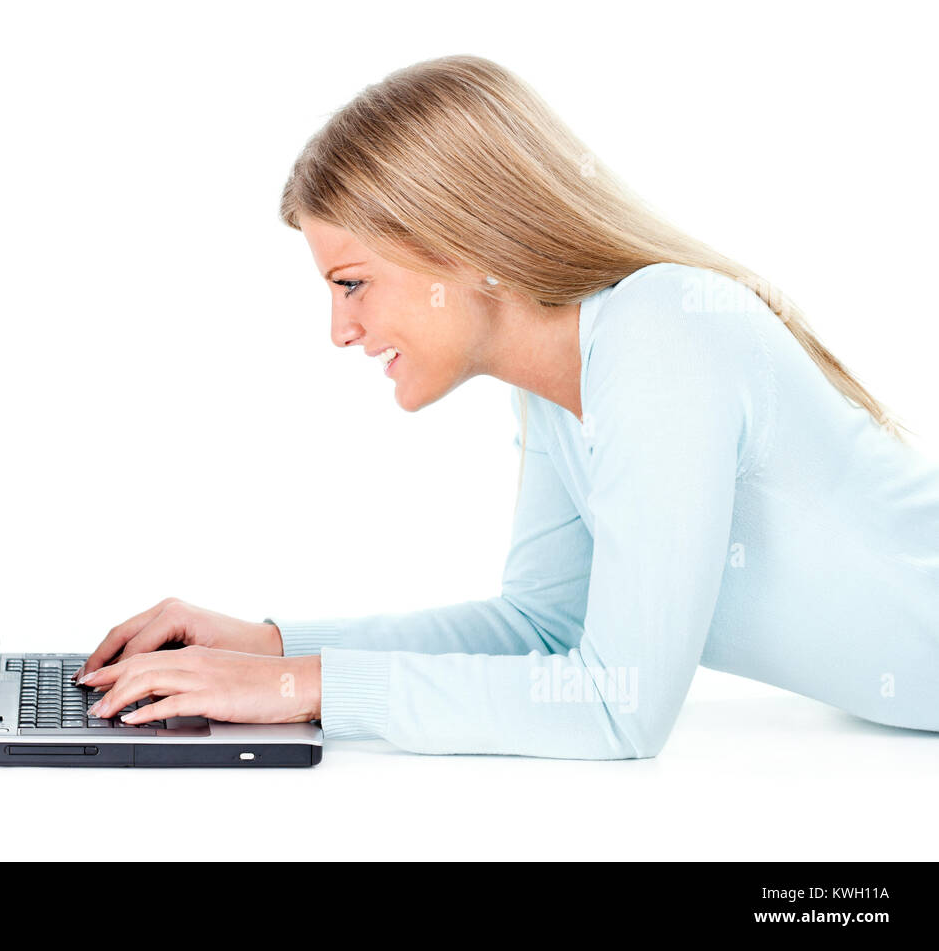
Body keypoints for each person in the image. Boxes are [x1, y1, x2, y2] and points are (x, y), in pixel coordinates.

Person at [74, 55, 939, 758]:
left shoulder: (663, 332)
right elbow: (542, 630)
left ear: (462, 245)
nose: (341, 330)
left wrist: (301, 688)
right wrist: (272, 648)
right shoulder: (560, 389)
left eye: (352, 284)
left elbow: (615, 708)